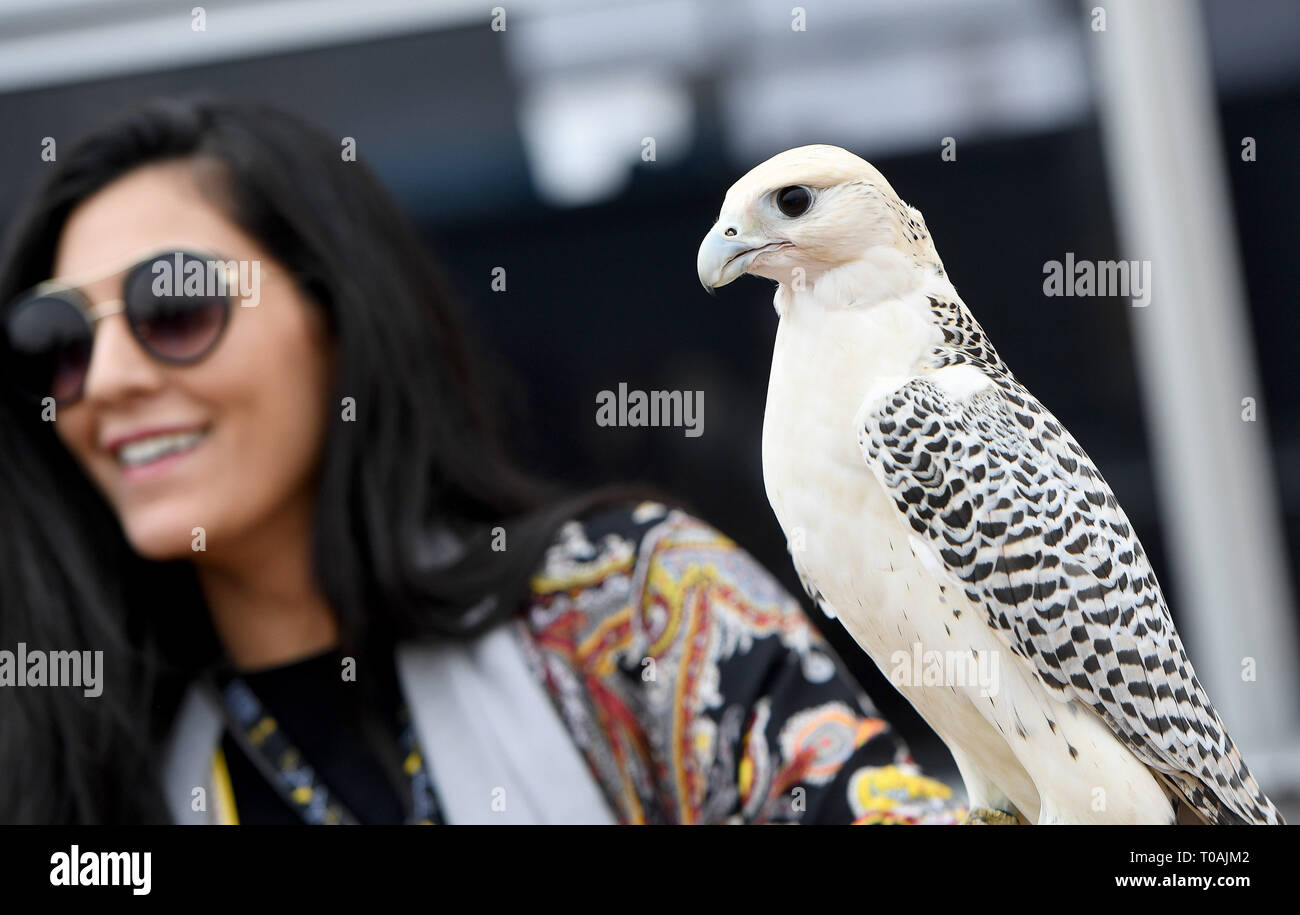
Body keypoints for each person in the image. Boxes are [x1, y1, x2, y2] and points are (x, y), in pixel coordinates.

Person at [0, 97, 962, 825]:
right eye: (62, 340)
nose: (111, 378)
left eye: (173, 308)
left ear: (337, 322)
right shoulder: (62, 753)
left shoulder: (633, 604)